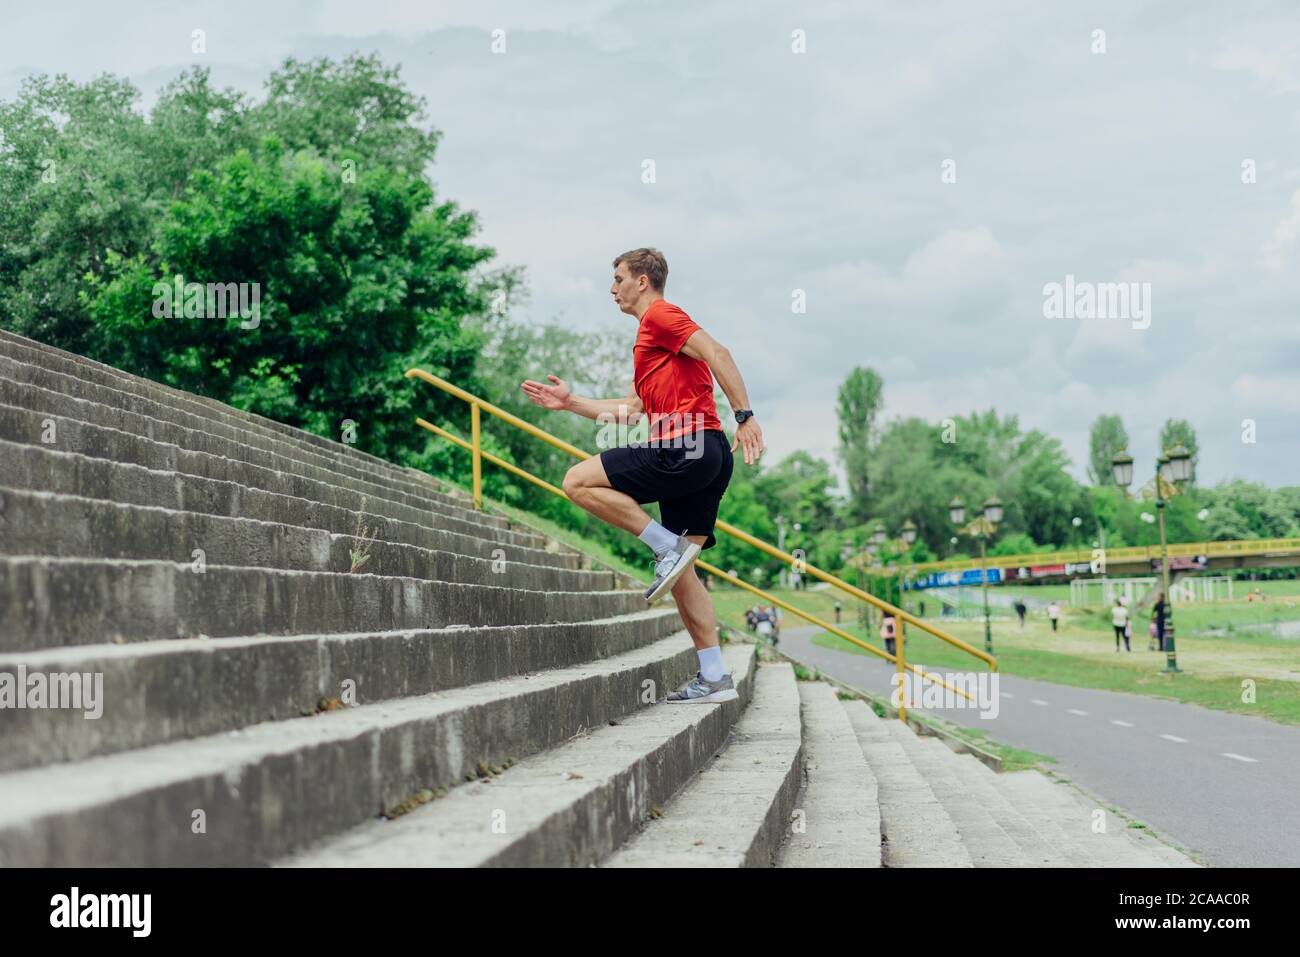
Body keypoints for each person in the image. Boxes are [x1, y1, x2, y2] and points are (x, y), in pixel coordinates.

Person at [522, 248, 764, 703]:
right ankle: (714, 677)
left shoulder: (660, 317)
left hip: (685, 446)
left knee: (577, 481)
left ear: (643, 281)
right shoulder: (650, 345)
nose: (612, 288)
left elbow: (718, 352)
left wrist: (746, 415)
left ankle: (663, 547)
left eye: (618, 278)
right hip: (708, 456)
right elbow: (631, 411)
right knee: (683, 576)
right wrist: (569, 403)